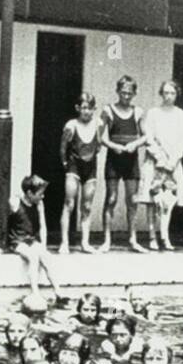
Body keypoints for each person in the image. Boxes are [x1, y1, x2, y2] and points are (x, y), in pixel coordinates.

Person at [136, 80, 183, 252]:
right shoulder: (153, 113)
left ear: (176, 94)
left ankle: (165, 237)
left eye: (172, 93)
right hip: (155, 162)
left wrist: (173, 160)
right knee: (152, 201)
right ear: (161, 94)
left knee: (168, 201)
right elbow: (148, 137)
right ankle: (152, 237)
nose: (168, 97)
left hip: (172, 164)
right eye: (165, 93)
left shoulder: (181, 115)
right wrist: (159, 157)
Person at [98, 75, 149, 253]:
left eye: (129, 93)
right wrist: (114, 146)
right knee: (111, 199)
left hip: (131, 159)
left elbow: (146, 135)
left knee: (132, 201)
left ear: (134, 93)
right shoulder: (108, 110)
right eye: (123, 92)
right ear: (117, 91)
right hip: (114, 159)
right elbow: (101, 136)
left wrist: (135, 144)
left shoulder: (138, 112)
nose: (125, 96)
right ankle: (106, 240)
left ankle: (133, 240)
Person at [8, 174, 61, 303]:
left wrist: (43, 245)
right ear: (30, 193)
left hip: (31, 239)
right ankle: (35, 292)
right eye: (40, 194)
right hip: (17, 240)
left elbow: (43, 227)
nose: (42, 196)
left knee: (46, 256)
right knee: (33, 257)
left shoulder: (39, 204)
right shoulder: (16, 203)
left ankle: (58, 291)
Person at [60, 93, 102, 254]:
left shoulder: (98, 123)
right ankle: (65, 242)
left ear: (94, 109)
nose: (87, 111)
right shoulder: (71, 125)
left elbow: (98, 146)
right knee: (69, 203)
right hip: (74, 166)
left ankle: (85, 242)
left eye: (90, 108)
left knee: (87, 206)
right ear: (78, 108)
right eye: (84, 108)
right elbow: (63, 147)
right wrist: (66, 164)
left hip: (90, 167)